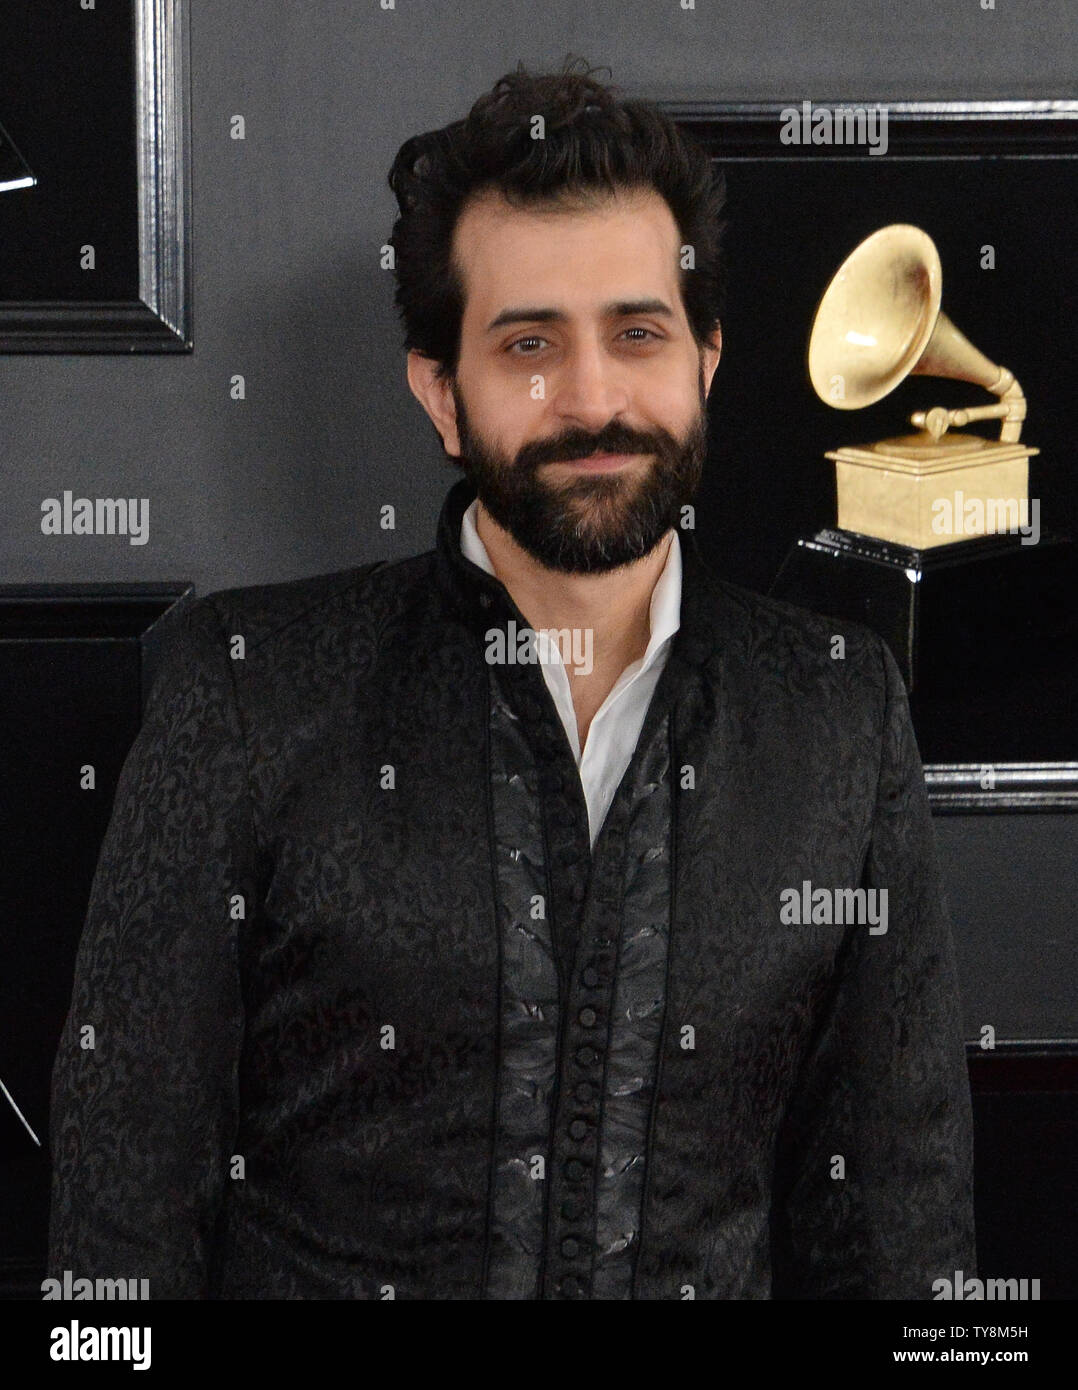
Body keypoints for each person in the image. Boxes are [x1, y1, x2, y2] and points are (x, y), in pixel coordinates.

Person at [47, 59, 975, 1299]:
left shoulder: (840, 710)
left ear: (703, 361)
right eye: (528, 343)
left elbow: (902, 1227)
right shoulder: (246, 689)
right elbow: (117, 1234)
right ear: (441, 391)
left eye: (636, 334)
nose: (591, 398)